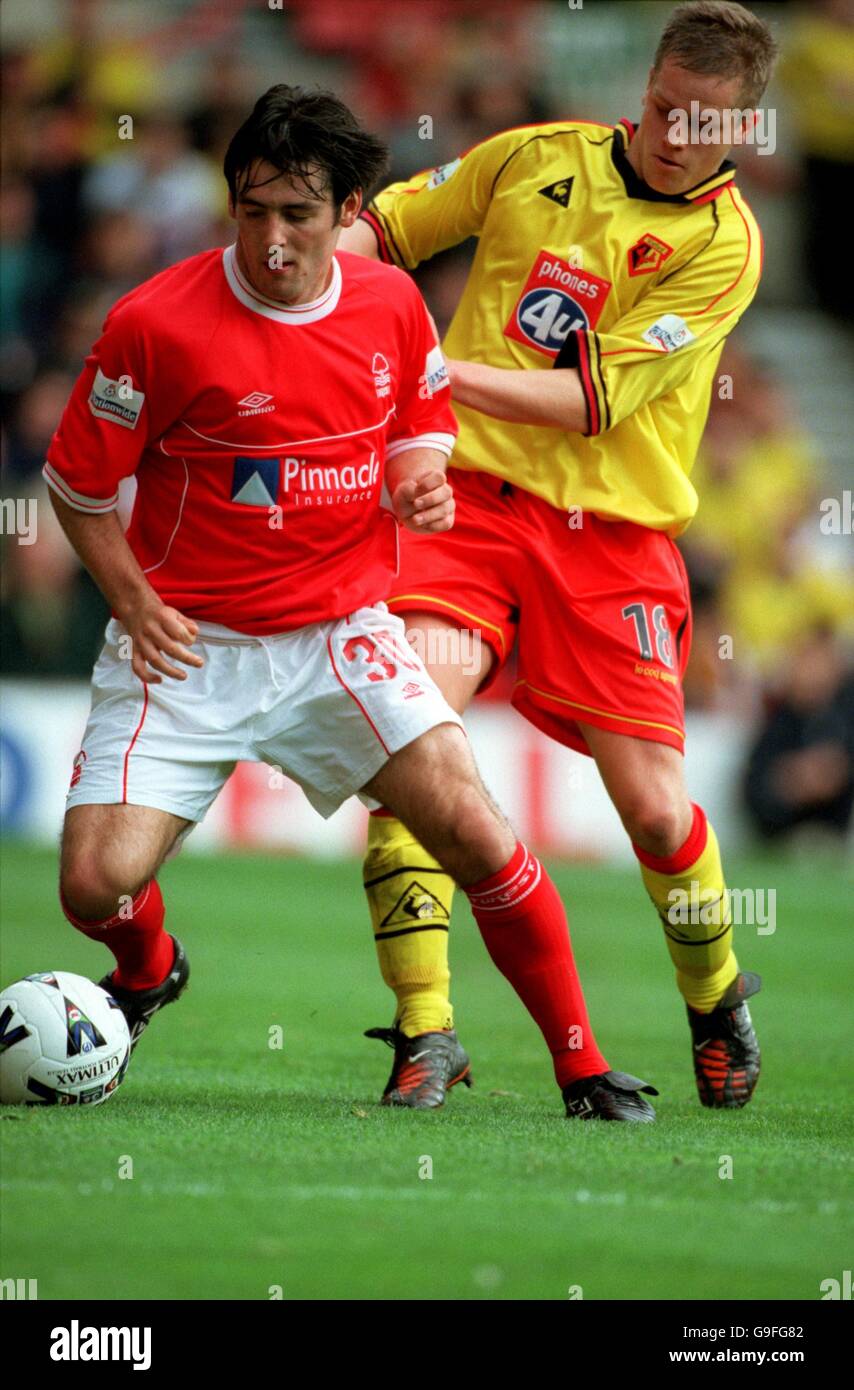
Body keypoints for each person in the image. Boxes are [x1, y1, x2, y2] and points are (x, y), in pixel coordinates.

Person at [45, 85, 655, 1123]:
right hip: (188, 646)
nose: (272, 238)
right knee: (91, 885)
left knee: (473, 826)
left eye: (297, 213)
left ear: (348, 210)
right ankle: (147, 969)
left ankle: (583, 1067)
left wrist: (420, 475)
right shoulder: (156, 323)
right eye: (251, 210)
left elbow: (417, 417)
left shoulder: (387, 304)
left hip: (339, 636)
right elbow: (75, 482)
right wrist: (134, 601)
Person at [339, 0, 778, 1111]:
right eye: (660, 106)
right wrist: (302, 274)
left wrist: (434, 373)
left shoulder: (721, 251)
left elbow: (585, 400)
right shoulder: (535, 158)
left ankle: (714, 991)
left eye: (702, 120)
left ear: (743, 128)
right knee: (407, 745)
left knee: (653, 813)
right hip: (471, 508)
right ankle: (425, 1030)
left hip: (613, 538)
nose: (673, 133)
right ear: (645, 86)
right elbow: (387, 230)